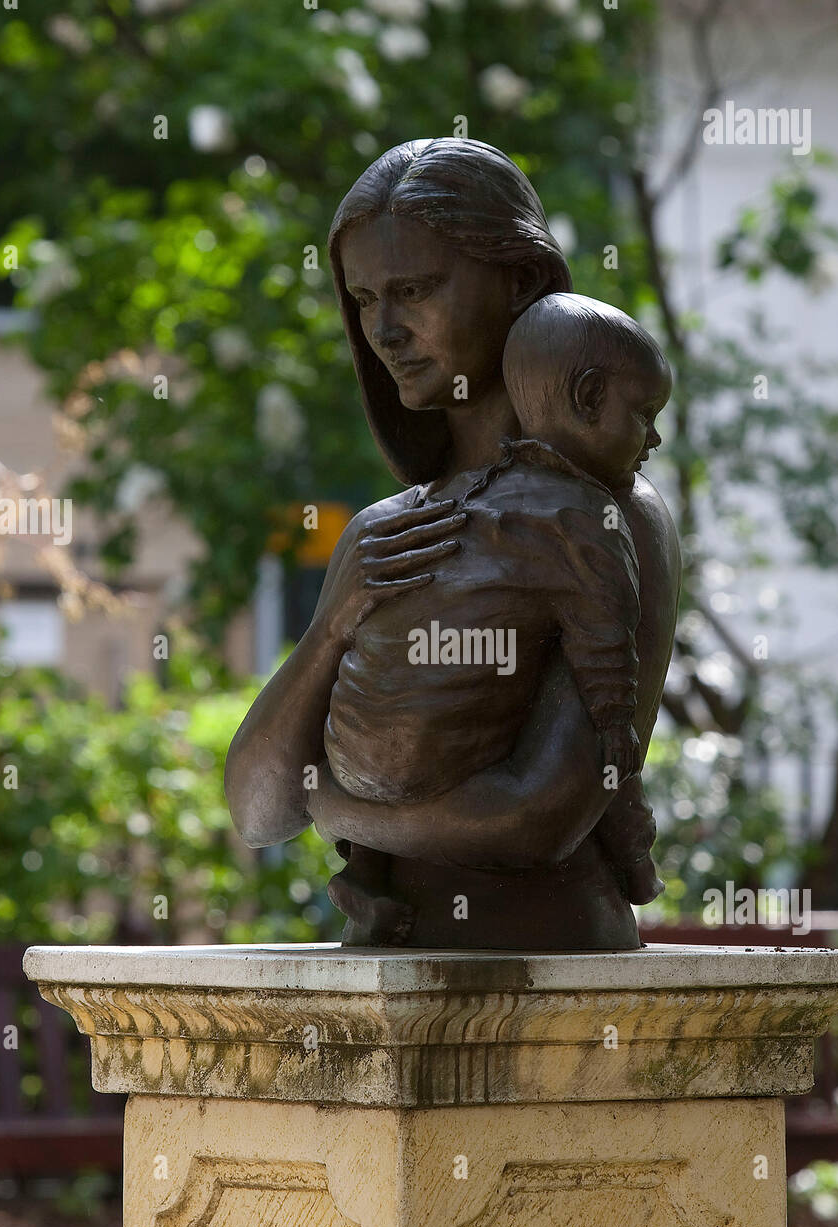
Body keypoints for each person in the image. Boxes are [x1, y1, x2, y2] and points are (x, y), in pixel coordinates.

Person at [225, 138, 682, 951]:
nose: (385, 330)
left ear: (521, 280)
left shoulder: (608, 515)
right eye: (365, 299)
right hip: (386, 976)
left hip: (546, 979)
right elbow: (259, 811)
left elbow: (539, 817)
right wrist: (335, 622)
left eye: (415, 290)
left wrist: (328, 804)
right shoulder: (382, 530)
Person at [324, 293, 671, 942]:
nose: (654, 437)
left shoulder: (461, 499)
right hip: (444, 769)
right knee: (598, 746)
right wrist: (617, 720)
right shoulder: (587, 519)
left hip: (354, 748)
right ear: (590, 398)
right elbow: (603, 642)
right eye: (645, 415)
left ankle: (365, 872)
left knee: (427, 683)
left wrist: (335, 801)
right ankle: (636, 858)